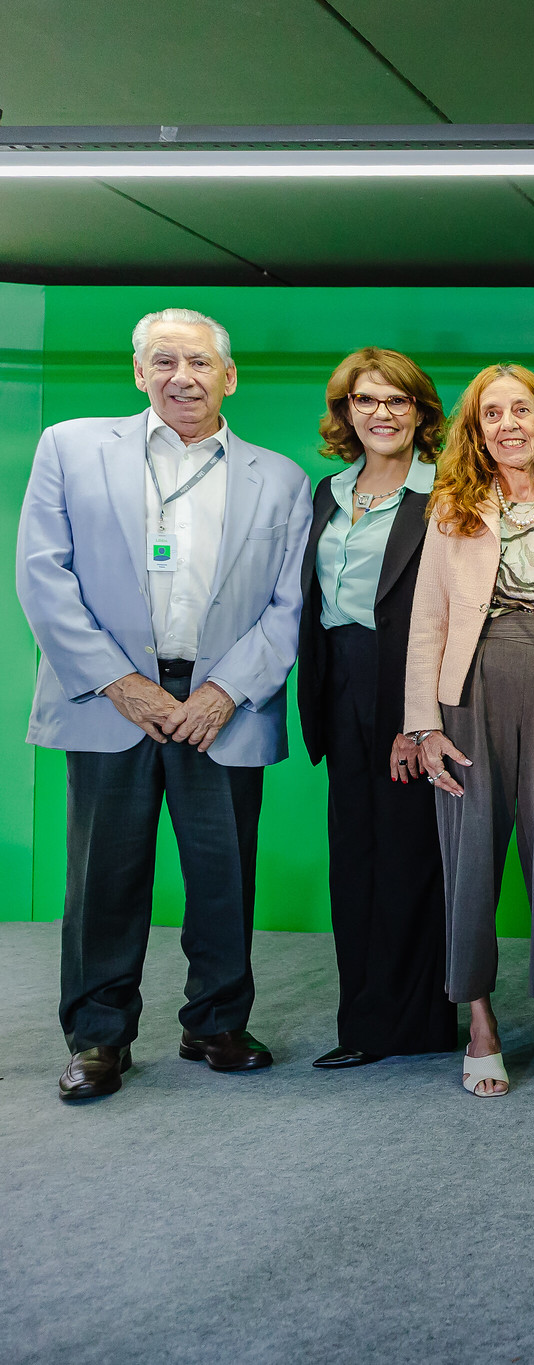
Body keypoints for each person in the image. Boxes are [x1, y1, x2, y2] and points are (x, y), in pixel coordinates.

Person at [18, 308, 312, 1101]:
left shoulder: (280, 478)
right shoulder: (71, 448)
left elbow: (288, 607)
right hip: (110, 696)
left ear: (230, 376)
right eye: (163, 361)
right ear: (138, 372)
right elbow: (43, 576)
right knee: (103, 875)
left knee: (224, 875)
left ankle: (215, 1022)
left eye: (198, 362)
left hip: (224, 701)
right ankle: (98, 1037)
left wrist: (220, 691)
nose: (181, 376)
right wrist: (123, 683)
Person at [404, 364, 534, 1097]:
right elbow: (427, 619)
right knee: (471, 852)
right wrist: (423, 724)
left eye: (522, 409)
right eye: (493, 413)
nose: (509, 424)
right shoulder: (451, 505)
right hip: (470, 688)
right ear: (477, 429)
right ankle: (480, 1016)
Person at [297, 348, 456, 1069]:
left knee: (409, 858)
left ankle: (418, 1021)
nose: (381, 414)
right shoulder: (327, 493)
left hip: (409, 686)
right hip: (340, 684)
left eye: (397, 401)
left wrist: (422, 715)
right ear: (346, 412)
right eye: (366, 400)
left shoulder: (448, 493)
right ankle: (361, 1018)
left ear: (421, 412)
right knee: (352, 858)